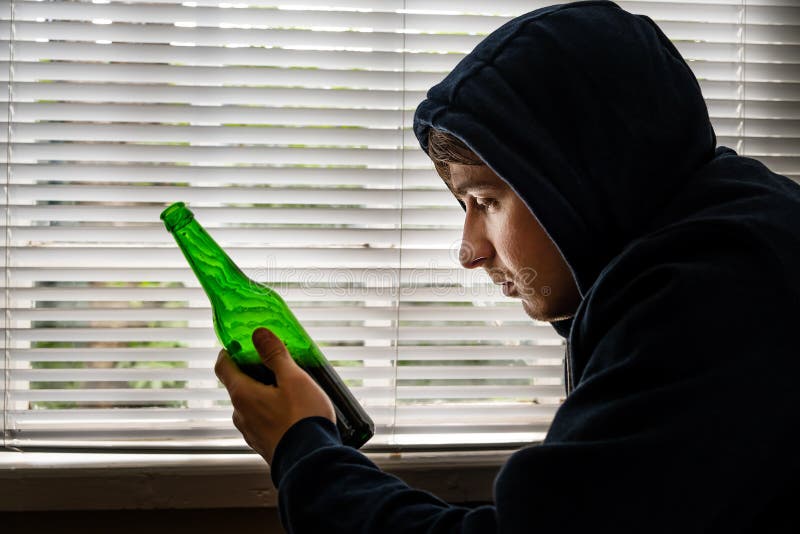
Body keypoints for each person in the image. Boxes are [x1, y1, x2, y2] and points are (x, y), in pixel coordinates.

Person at [213, 0, 800, 531]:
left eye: (486, 201)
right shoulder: (725, 246)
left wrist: (303, 451)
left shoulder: (712, 300)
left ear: (580, 177)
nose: (470, 252)